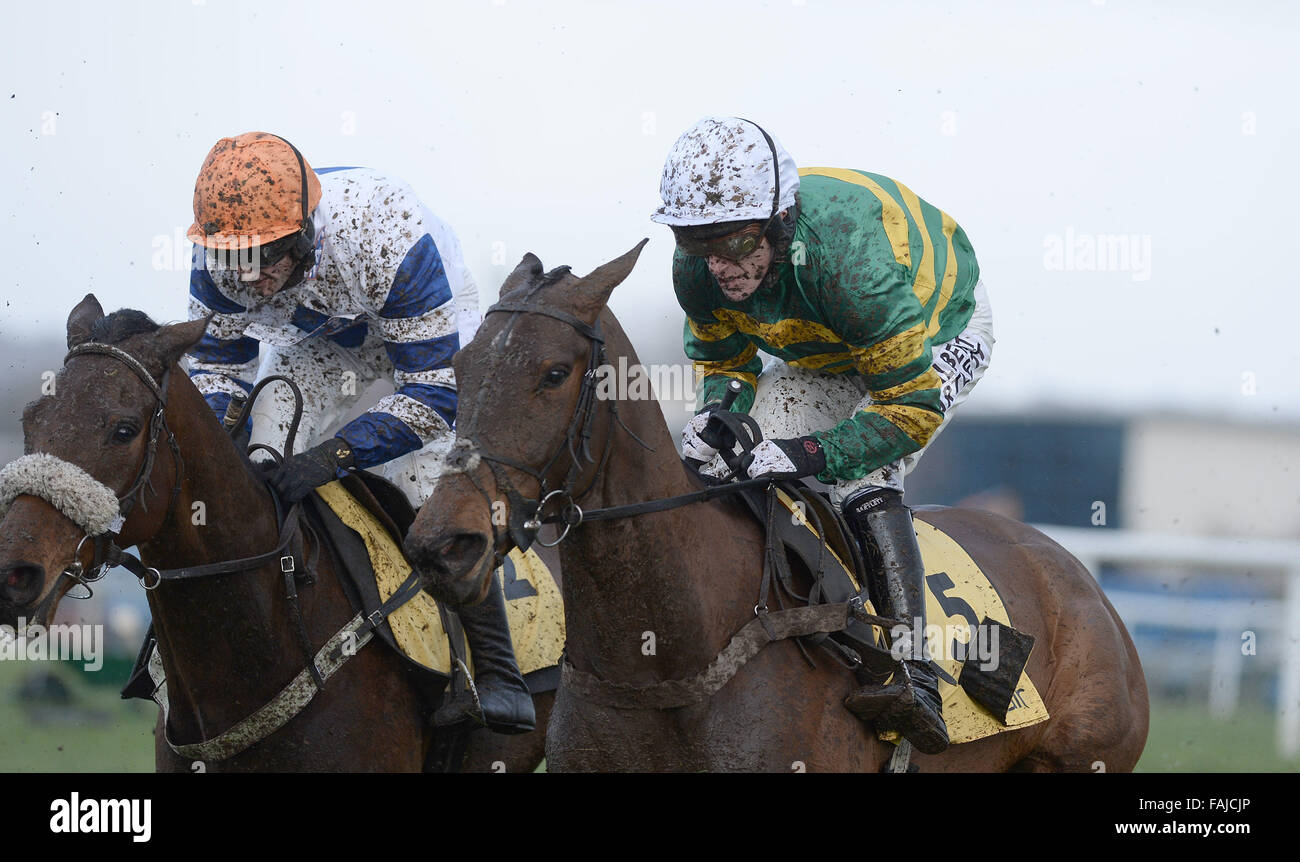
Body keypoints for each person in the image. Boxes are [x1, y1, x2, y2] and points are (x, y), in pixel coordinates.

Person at [652, 116, 995, 755]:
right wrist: (718, 416)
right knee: (727, 463)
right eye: (695, 241)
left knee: (858, 474)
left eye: (732, 241)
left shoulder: (844, 256)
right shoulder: (696, 265)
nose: (718, 265)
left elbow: (909, 406)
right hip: (830, 346)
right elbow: (727, 363)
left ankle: (913, 671)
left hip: (933, 333)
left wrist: (810, 452)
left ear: (780, 223)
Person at [184, 131, 533, 733]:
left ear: (306, 232)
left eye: (271, 255)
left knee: (429, 482)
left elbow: (436, 390)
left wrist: (334, 456)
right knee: (261, 457)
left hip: (426, 345)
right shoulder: (219, 257)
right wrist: (226, 445)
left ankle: (499, 673)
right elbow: (217, 370)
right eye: (239, 261)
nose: (256, 280)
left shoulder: (388, 231)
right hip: (321, 345)